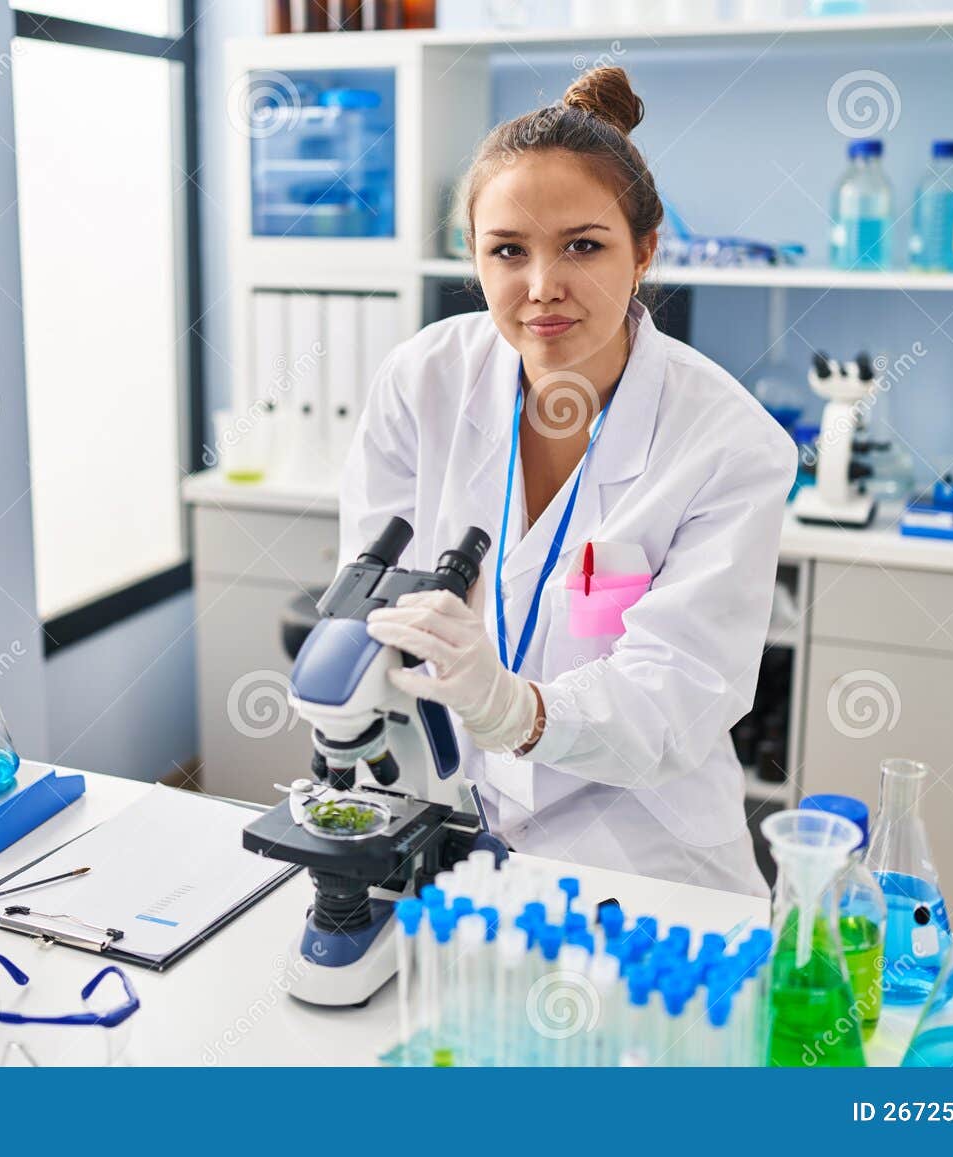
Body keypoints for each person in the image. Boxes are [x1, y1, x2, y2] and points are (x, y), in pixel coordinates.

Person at [340, 67, 795, 896]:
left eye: (583, 246)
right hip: (449, 812)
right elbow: (374, 590)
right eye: (507, 250)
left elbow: (680, 687)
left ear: (645, 251)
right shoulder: (422, 381)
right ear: (472, 257)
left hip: (642, 851)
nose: (542, 285)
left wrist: (520, 711)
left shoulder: (730, 444)